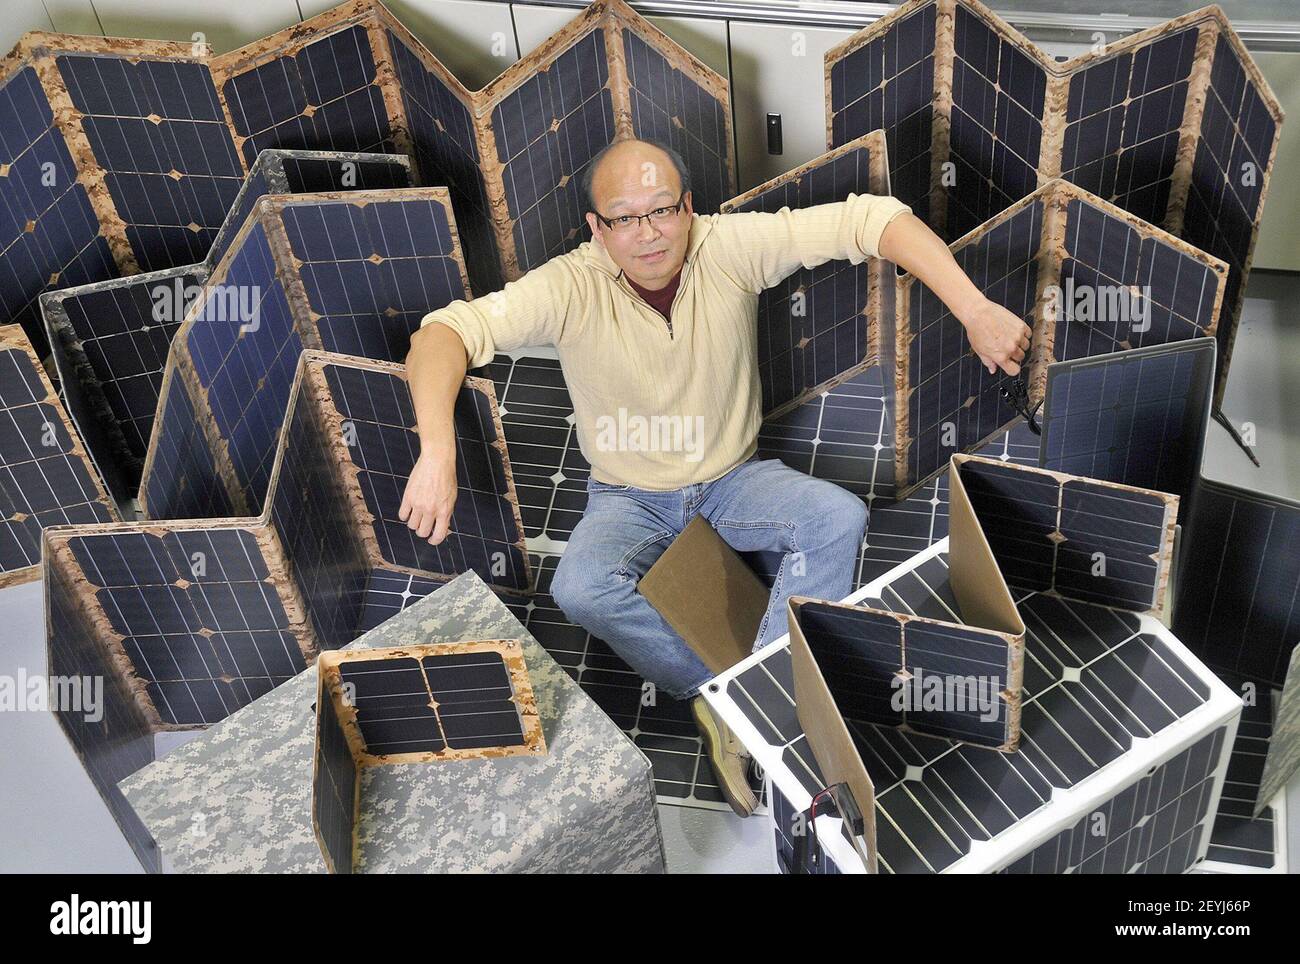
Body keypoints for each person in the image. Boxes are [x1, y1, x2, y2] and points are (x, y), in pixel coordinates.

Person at [401, 137, 1030, 816]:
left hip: (734, 478)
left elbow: (870, 220)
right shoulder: (568, 285)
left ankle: (762, 701)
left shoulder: (727, 246)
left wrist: (974, 309)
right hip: (628, 496)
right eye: (624, 218)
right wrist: (437, 451)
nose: (648, 234)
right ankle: (728, 697)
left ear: (688, 208)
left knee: (837, 519)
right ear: (596, 228)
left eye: (663, 210)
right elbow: (443, 334)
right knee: (579, 586)